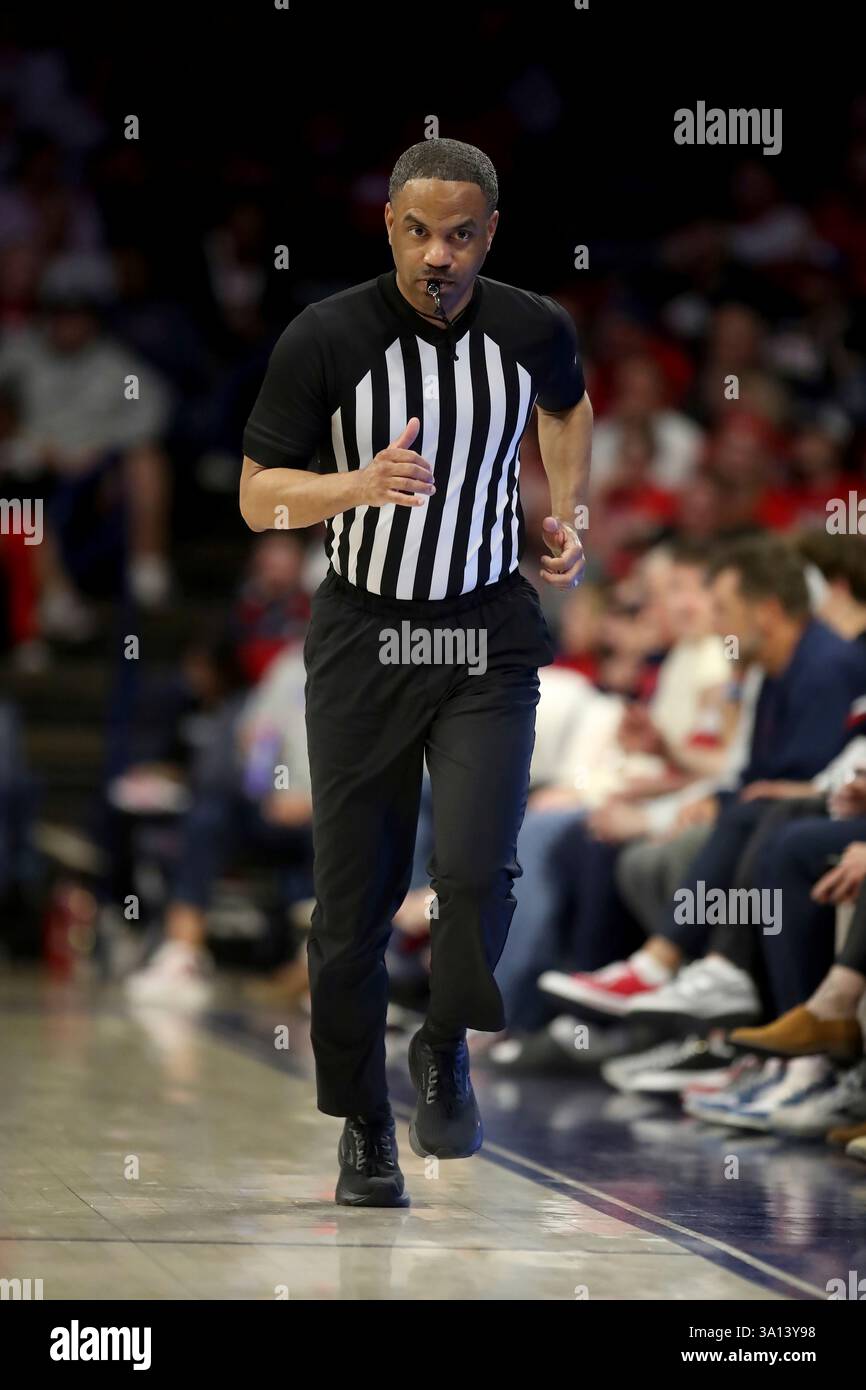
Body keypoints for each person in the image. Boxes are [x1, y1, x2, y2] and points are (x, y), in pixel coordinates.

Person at [239, 139, 591, 1207]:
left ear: (489, 233)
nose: (437, 253)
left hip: (486, 631)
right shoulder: (327, 335)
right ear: (386, 225)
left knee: (478, 867)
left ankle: (443, 1040)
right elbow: (259, 499)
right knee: (353, 902)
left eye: (460, 233)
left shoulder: (532, 327)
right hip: (364, 638)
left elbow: (567, 406)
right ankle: (362, 1122)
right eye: (417, 231)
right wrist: (355, 483)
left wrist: (564, 511)